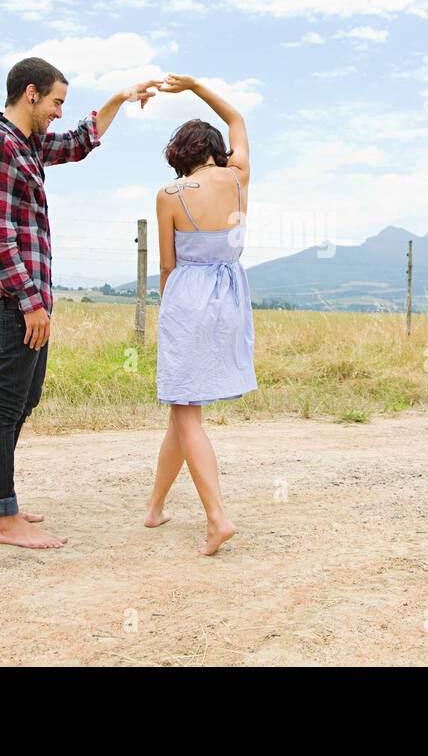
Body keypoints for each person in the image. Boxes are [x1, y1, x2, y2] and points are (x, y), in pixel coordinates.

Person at [0, 56, 156, 549]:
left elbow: (78, 143)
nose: (58, 112)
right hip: (21, 299)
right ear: (30, 93)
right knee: (6, 403)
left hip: (34, 299)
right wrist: (31, 303)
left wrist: (118, 99)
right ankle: (3, 520)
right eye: (55, 102)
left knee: (23, 399)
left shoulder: (24, 144)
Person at [144, 74, 258, 555]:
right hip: (231, 295)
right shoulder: (237, 177)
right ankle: (154, 507)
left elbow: (168, 265)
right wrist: (193, 87)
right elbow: (236, 116)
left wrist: (167, 313)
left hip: (188, 296)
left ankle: (217, 517)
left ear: (180, 155)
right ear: (215, 149)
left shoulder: (169, 196)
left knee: (185, 410)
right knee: (183, 409)